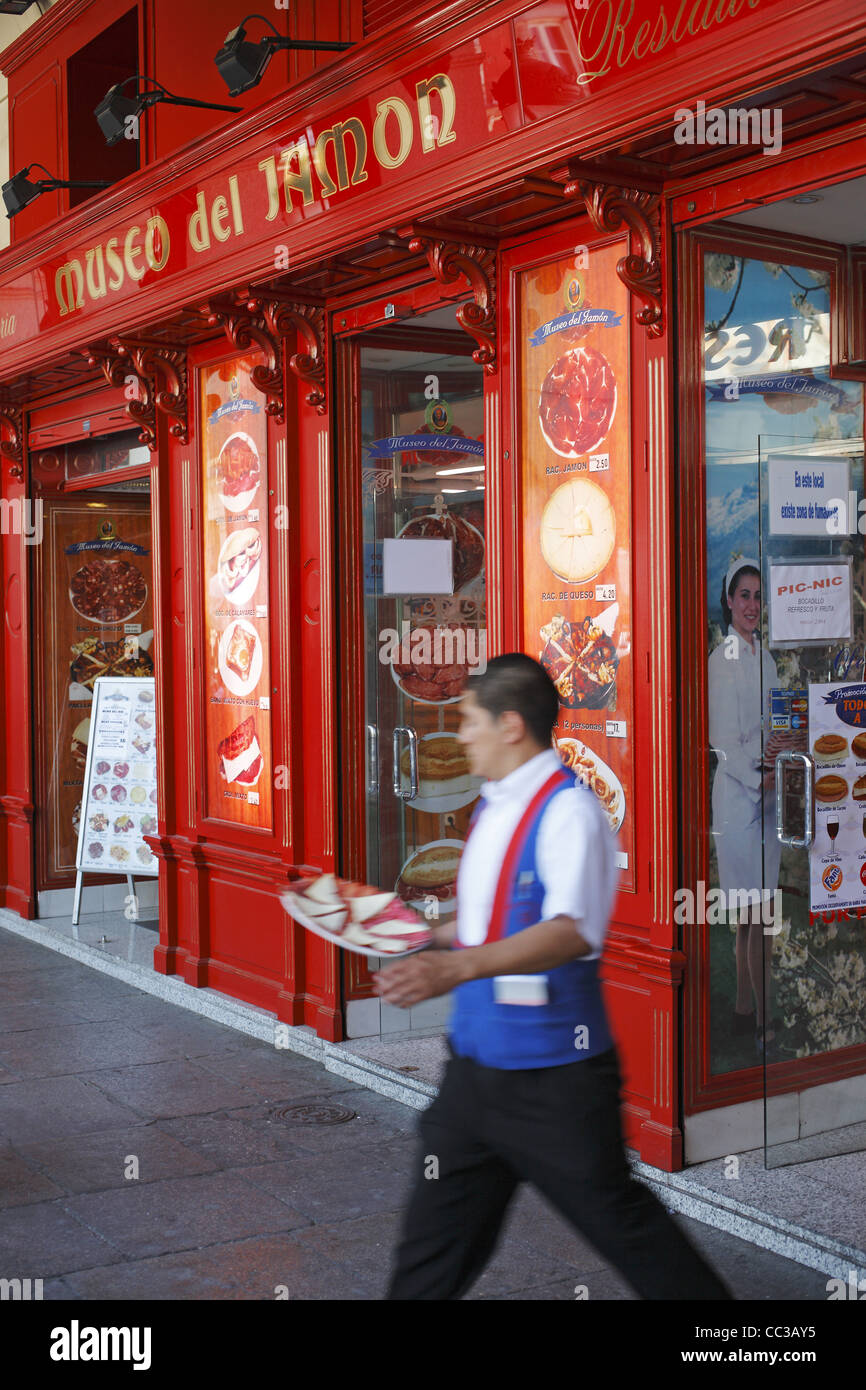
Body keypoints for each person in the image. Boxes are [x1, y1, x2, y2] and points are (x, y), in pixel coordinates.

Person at [373, 653, 731, 1301]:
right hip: (474, 1077)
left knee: (627, 1228)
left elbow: (571, 931)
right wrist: (420, 935)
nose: (459, 736)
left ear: (510, 725)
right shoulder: (490, 808)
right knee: (428, 1253)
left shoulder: (571, 812)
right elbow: (485, 924)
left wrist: (458, 966)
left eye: (468, 720)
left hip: (555, 1085)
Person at [708, 559, 789, 1047]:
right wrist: (760, 775)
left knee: (752, 913)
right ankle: (763, 1021)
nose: (752, 605)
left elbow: (776, 724)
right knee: (756, 914)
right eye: (744, 595)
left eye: (758, 596)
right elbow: (721, 741)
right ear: (729, 601)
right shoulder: (721, 662)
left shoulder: (768, 659)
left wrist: (780, 753)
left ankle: (742, 1008)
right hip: (739, 802)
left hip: (767, 795)